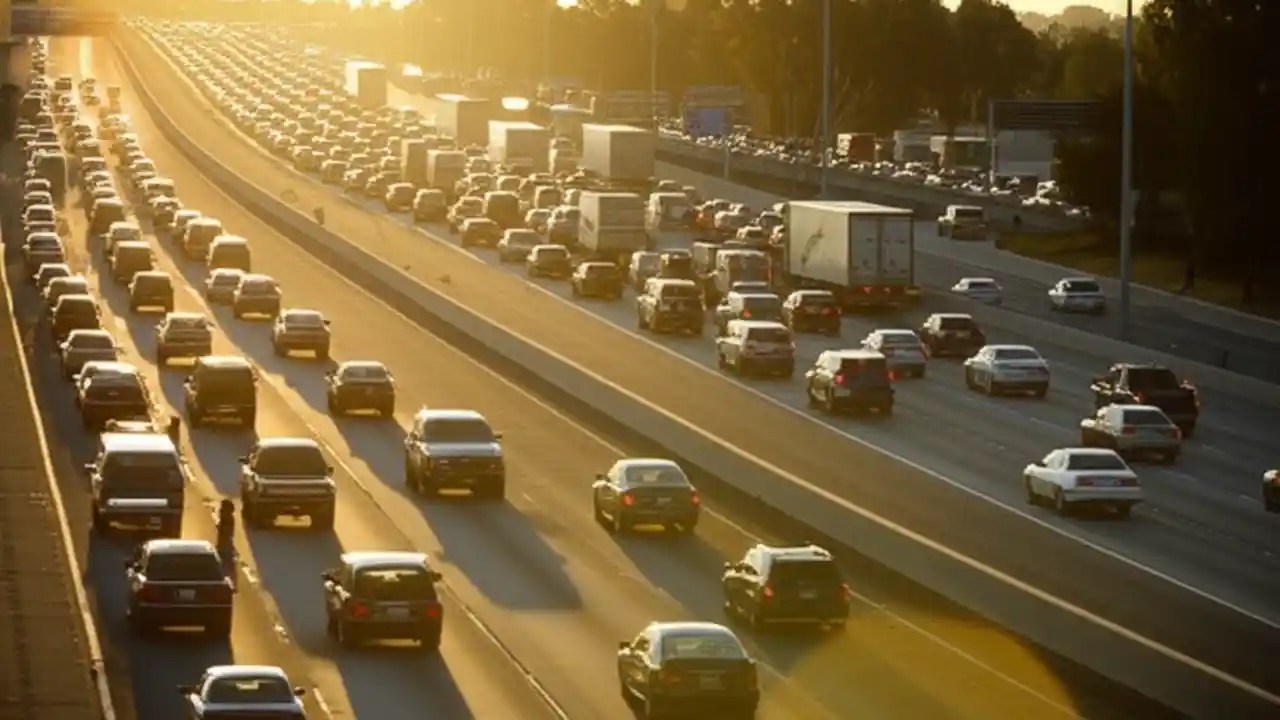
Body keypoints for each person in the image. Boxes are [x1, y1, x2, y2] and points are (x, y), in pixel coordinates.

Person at [216, 499, 236, 585]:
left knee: (225, 563)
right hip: (224, 543)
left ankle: (227, 581)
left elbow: (226, 532)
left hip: (224, 545)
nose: (220, 510)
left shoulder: (227, 518)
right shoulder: (228, 518)